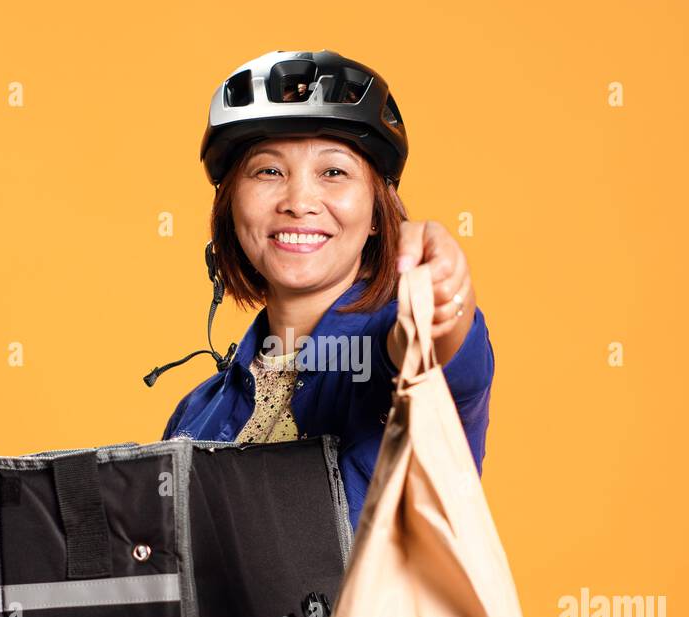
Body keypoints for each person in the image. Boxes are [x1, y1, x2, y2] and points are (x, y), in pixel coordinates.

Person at [151, 49, 495, 533]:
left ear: (378, 212)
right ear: (231, 206)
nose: (298, 202)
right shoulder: (196, 413)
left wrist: (438, 298)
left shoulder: (383, 355)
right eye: (268, 171)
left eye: (334, 172)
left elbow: (433, 355)